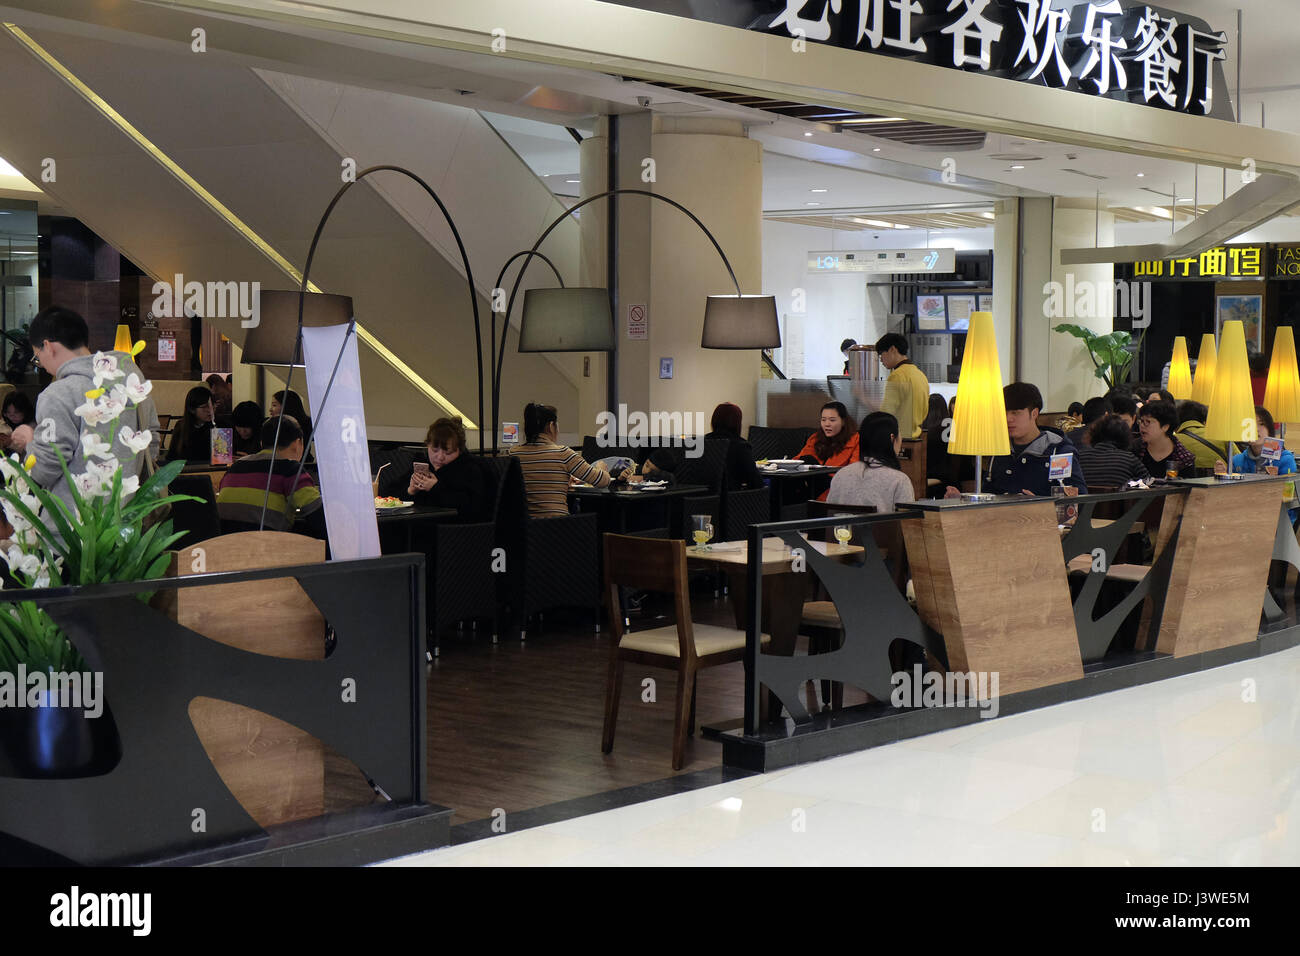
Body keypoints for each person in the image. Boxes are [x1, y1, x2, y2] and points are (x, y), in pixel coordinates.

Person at [7, 306, 160, 520]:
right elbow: (150, 441)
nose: (41, 365)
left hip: (75, 531)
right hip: (131, 526)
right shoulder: (130, 375)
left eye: (37, 357)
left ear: (48, 346)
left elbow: (43, 470)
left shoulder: (58, 393)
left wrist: (30, 441)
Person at [947, 382, 1086, 497]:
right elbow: (988, 497)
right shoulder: (999, 450)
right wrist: (961, 499)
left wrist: (1040, 506)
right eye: (1005, 412)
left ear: (1034, 413)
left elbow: (1075, 503)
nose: (1008, 419)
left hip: (1042, 527)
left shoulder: (1058, 452)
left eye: (1015, 413)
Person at [216, 415, 325, 537]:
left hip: (224, 546)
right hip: (263, 548)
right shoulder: (290, 469)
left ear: (262, 443)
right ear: (298, 443)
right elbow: (319, 517)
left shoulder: (236, 467)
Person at [510, 402, 610, 518]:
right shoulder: (563, 453)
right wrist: (601, 467)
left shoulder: (513, 453)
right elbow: (602, 481)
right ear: (551, 426)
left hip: (522, 528)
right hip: (557, 526)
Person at [405, 417, 491, 521]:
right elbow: (389, 494)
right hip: (418, 523)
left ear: (459, 450)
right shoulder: (423, 464)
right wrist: (410, 491)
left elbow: (473, 506)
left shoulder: (469, 468)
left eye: (448, 453)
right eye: (434, 450)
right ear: (427, 445)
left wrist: (435, 488)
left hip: (453, 530)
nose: (440, 457)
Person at [827, 411, 914, 513]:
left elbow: (829, 515)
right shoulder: (899, 480)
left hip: (843, 529)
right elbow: (907, 523)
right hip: (882, 529)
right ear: (891, 438)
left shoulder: (841, 475)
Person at [875, 332, 929, 440]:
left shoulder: (897, 376)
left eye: (881, 354)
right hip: (916, 437)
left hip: (898, 439)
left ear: (892, 350)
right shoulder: (920, 374)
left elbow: (886, 413)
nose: (881, 359)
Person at [1075, 415, 1151, 489]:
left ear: (1094, 434)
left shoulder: (1079, 458)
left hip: (1082, 501)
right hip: (1118, 501)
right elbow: (1150, 483)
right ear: (1125, 437)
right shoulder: (1129, 459)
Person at [705, 402, 761, 490]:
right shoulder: (741, 446)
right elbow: (755, 480)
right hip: (733, 499)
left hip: (703, 498)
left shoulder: (703, 442)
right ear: (737, 422)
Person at [1137, 400, 1196, 478]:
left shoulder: (1184, 459)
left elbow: (1189, 487)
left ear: (1165, 427)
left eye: (1148, 422)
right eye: (1141, 421)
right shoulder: (1135, 451)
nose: (1142, 425)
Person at [795, 401, 860, 467]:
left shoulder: (856, 440)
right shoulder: (815, 438)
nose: (827, 424)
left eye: (832, 420)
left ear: (843, 421)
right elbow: (798, 461)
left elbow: (854, 471)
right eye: (823, 420)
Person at [167, 386, 217, 463]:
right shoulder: (181, 426)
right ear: (192, 409)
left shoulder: (218, 426)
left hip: (210, 471)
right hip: (186, 470)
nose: (210, 410)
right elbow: (172, 456)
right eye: (204, 407)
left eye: (212, 405)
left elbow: (221, 459)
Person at [1174, 400, 1226, 469]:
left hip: (1184, 479)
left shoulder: (1173, 440)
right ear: (1204, 421)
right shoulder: (1218, 435)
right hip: (1218, 478)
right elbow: (1238, 460)